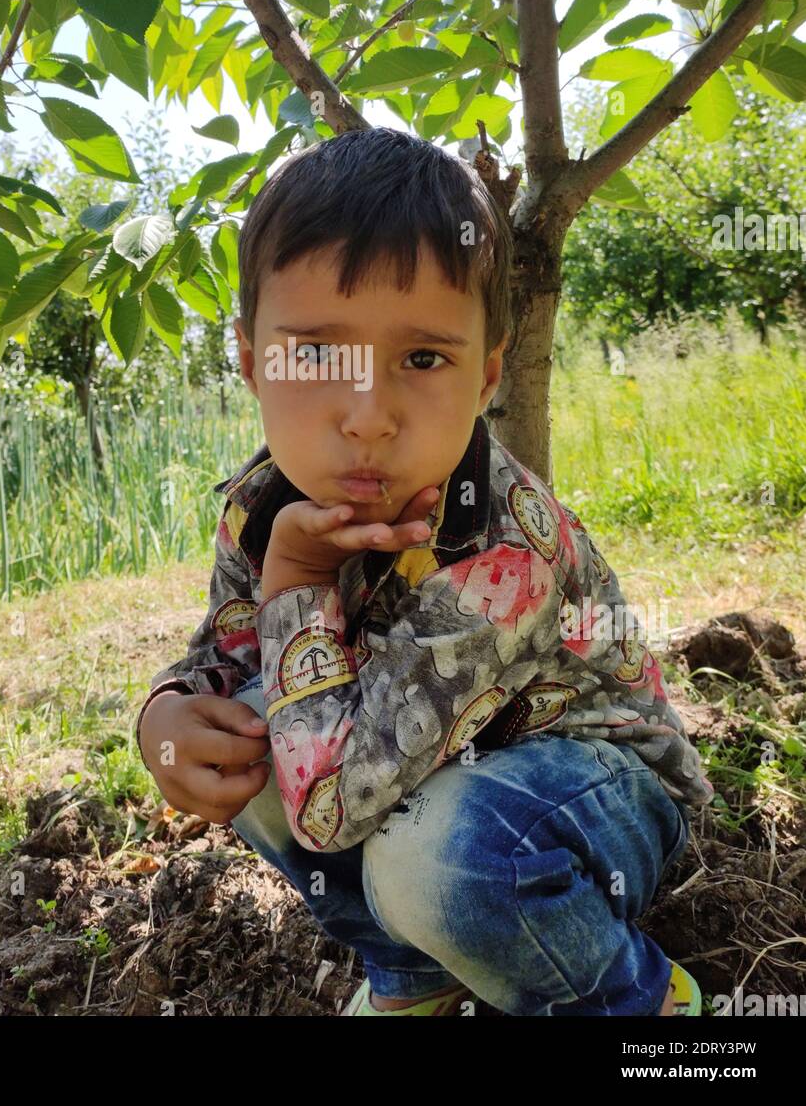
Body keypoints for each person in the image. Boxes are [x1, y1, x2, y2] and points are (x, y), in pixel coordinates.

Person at [136, 127, 714, 1017]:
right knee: (247, 733)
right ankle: (418, 977)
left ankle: (634, 1003)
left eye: (422, 358)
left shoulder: (501, 557)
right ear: (250, 359)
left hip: (589, 790)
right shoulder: (263, 502)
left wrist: (299, 580)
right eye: (319, 354)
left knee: (433, 855)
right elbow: (231, 652)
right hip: (411, 763)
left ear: (486, 376)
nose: (369, 416)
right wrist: (166, 716)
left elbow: (331, 803)